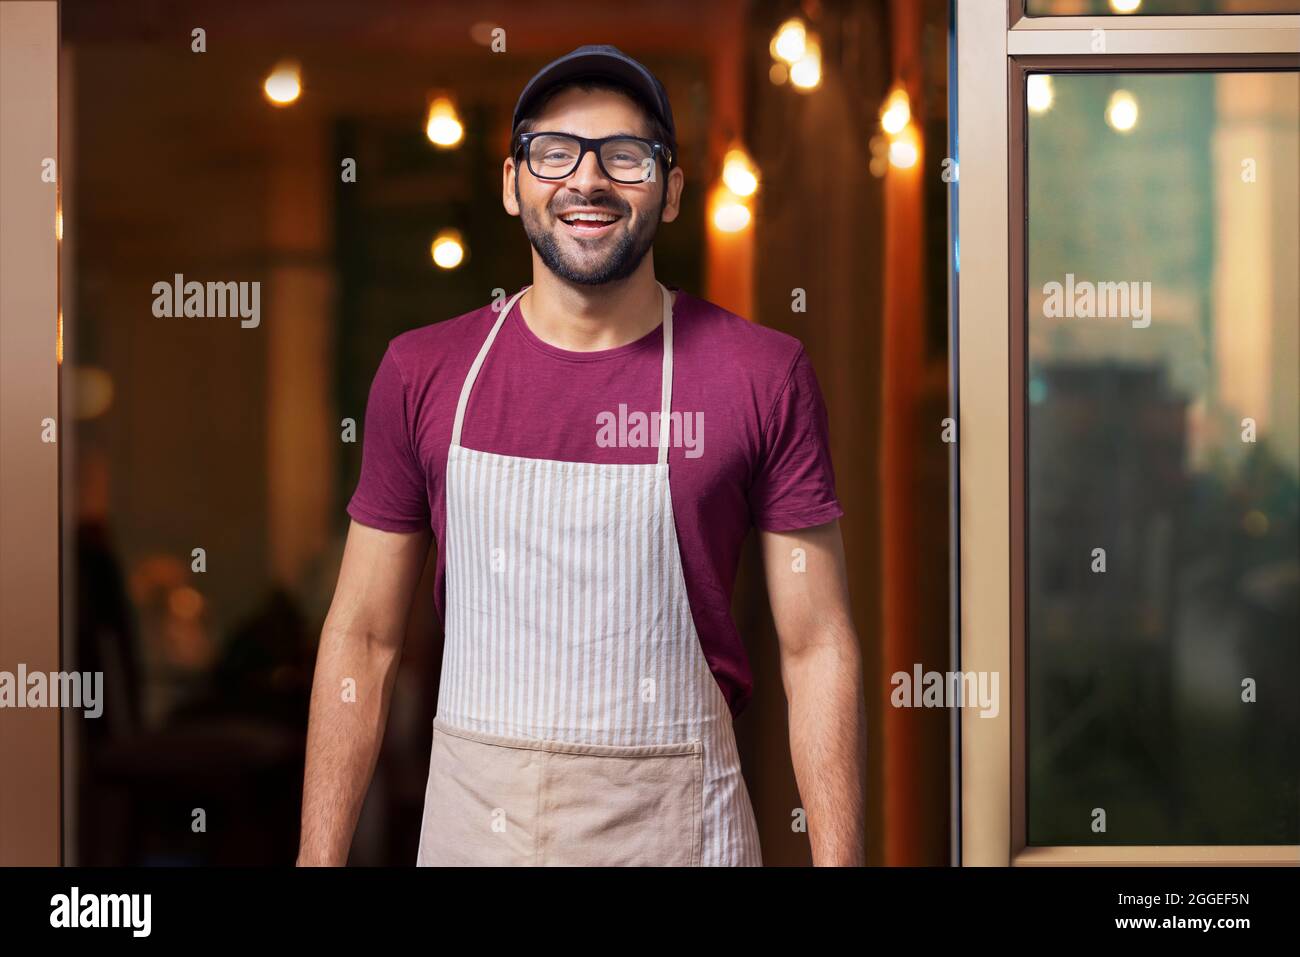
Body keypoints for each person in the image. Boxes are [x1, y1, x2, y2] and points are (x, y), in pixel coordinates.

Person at [298, 44, 865, 867]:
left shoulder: (759, 374)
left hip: (679, 839)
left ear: (670, 191)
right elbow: (363, 636)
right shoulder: (423, 373)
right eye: (554, 152)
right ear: (511, 183)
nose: (587, 181)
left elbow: (817, 645)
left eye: (625, 156)